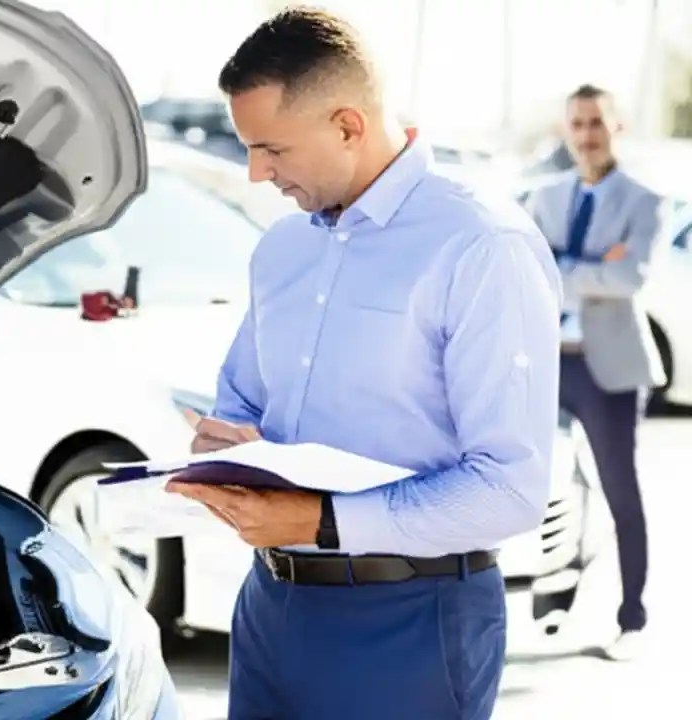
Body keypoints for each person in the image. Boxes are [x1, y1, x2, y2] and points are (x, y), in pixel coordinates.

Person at [162, 8, 562, 720]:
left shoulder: (480, 246)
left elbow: (511, 488)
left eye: (272, 149)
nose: (256, 172)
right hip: (268, 608)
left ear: (348, 125)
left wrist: (320, 521)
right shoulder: (282, 249)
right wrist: (221, 450)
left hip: (412, 620)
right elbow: (243, 403)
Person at [522, 83, 670, 661]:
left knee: (619, 493)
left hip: (609, 371)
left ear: (617, 126)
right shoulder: (545, 196)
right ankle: (552, 606)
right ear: (567, 130)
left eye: (597, 123)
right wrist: (591, 266)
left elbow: (630, 279)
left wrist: (562, 264)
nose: (587, 135)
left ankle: (631, 617)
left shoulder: (645, 200)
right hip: (550, 363)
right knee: (550, 487)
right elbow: (532, 272)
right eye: (578, 124)